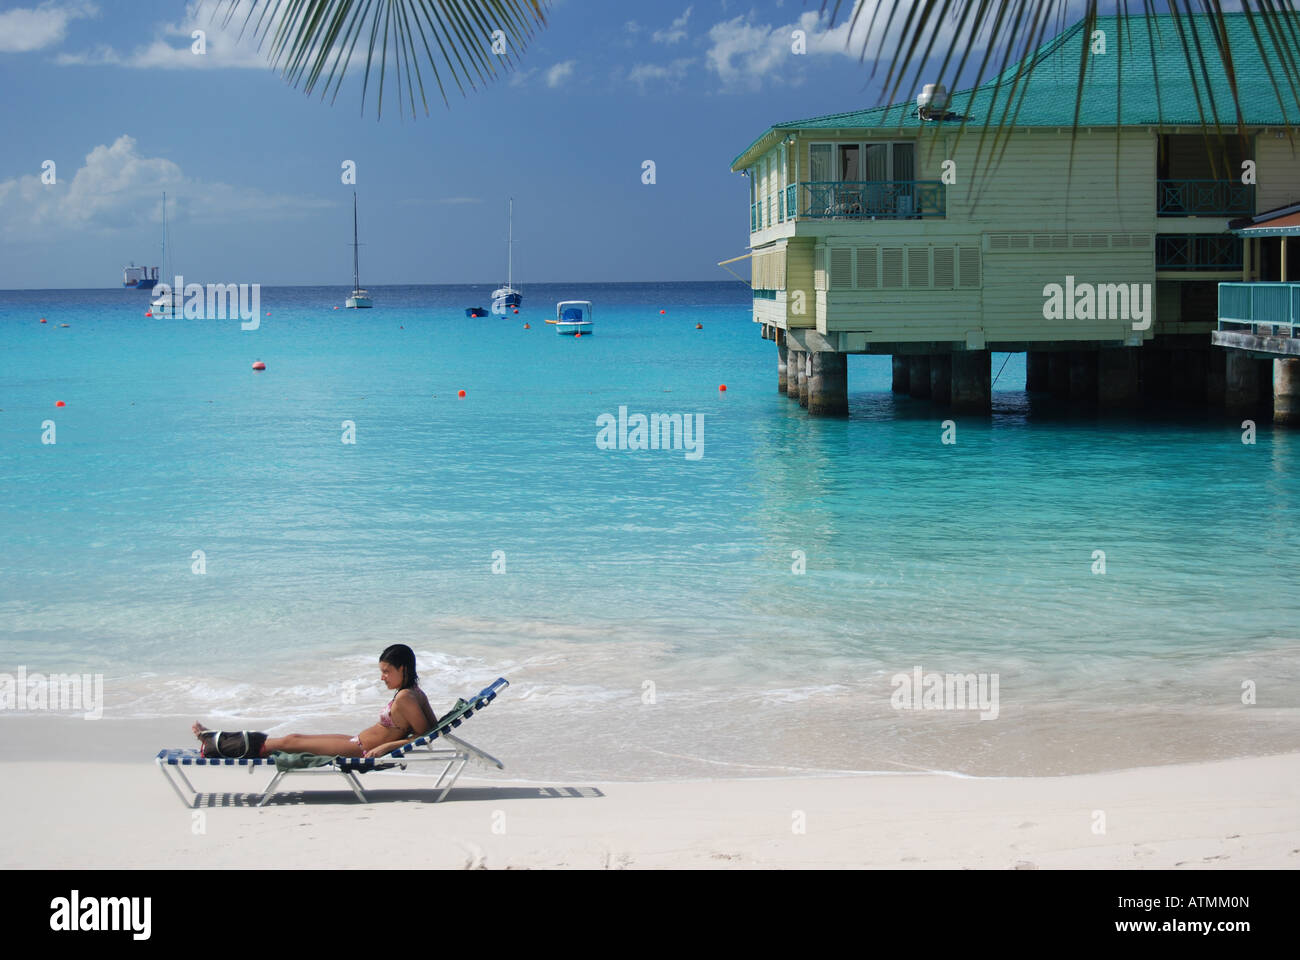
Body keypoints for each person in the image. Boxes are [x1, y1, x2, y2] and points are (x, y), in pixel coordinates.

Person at [192, 644, 438, 760]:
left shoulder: (407, 697)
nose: (382, 677)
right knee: (293, 737)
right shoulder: (415, 692)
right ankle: (217, 738)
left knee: (290, 742)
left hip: (359, 749)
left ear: (402, 668)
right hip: (356, 740)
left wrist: (387, 748)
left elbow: (424, 735)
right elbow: (434, 728)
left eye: (386, 671)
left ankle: (215, 743)